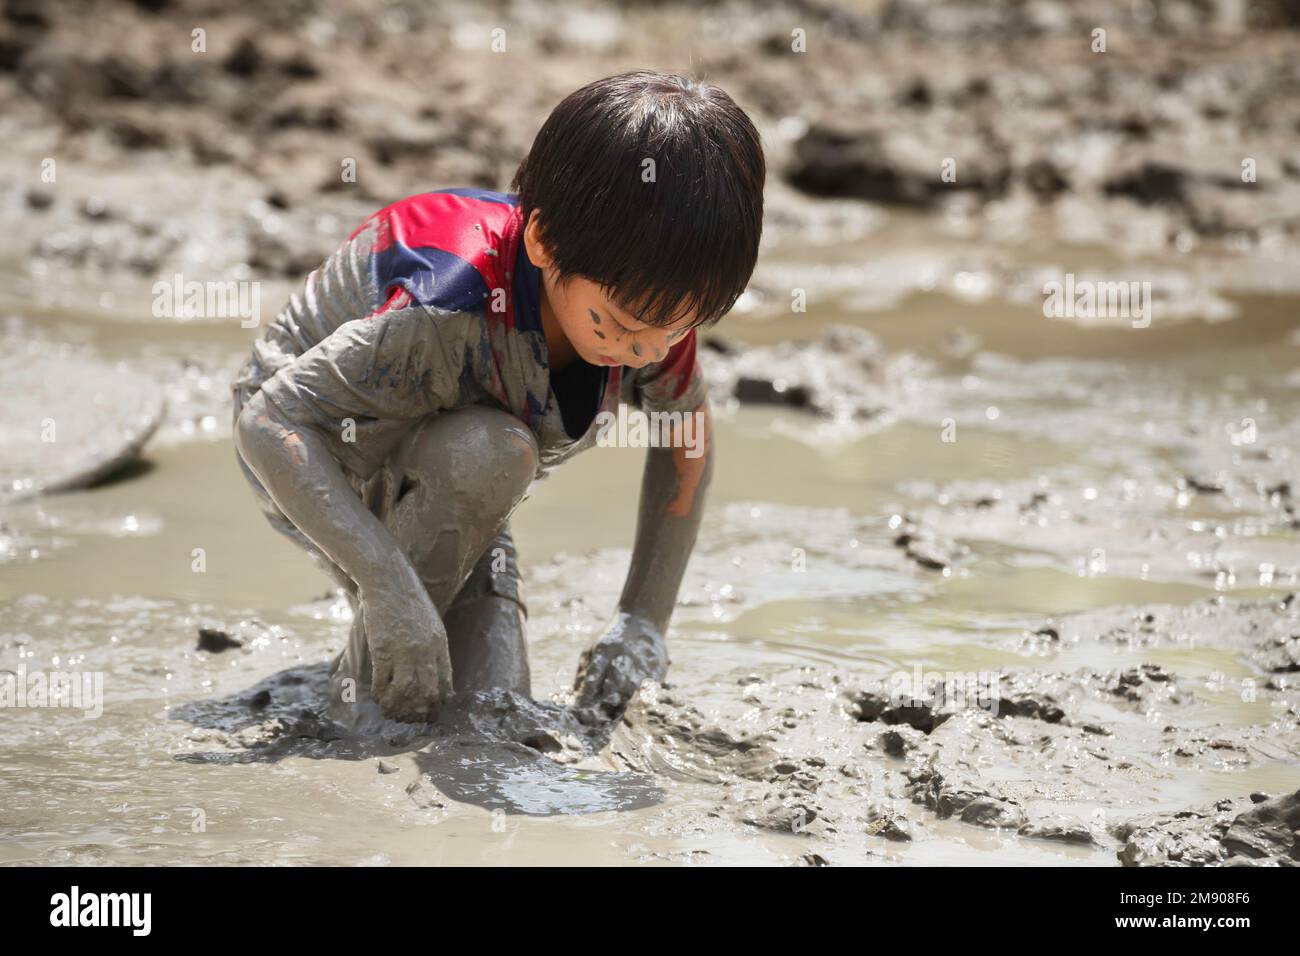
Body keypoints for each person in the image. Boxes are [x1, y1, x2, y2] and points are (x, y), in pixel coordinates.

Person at [231, 70, 765, 731]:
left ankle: (390, 651)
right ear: (542, 243)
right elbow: (270, 418)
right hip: (319, 452)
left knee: (490, 715)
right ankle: (360, 711)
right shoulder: (451, 304)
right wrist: (385, 584)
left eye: (678, 327)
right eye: (622, 325)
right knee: (395, 700)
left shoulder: (651, 315)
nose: (646, 353)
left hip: (459, 460)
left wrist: (641, 623)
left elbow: (687, 442)